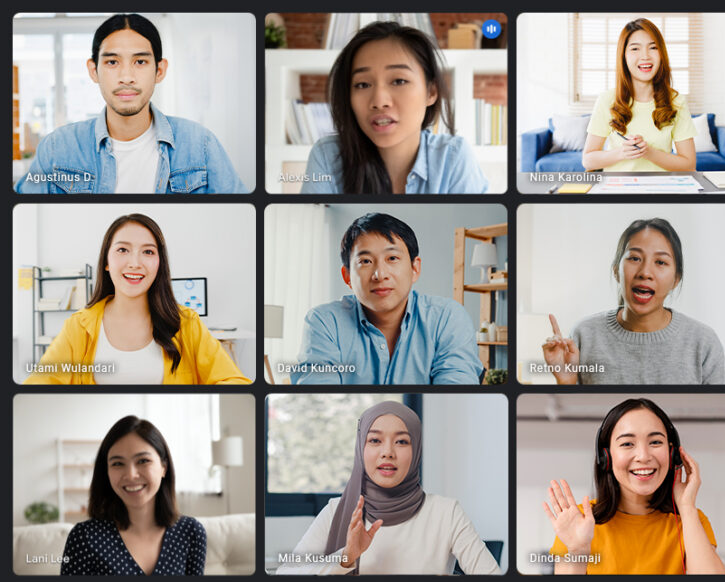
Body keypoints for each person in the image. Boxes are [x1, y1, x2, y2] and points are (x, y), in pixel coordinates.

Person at [16, 14, 246, 194]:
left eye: (140, 61)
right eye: (113, 62)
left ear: (160, 70)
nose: (126, 77)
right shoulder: (57, 149)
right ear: (93, 70)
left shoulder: (201, 145)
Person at [276, 401, 501, 575]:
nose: (388, 452)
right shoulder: (337, 510)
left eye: (401, 441)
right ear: (360, 448)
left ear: (416, 451)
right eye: (375, 440)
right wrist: (346, 557)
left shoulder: (447, 513)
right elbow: (286, 574)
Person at [25, 214, 250, 384]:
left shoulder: (186, 323)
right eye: (123, 250)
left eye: (148, 252)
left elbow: (233, 380)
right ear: (106, 262)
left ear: (159, 263)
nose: (135, 262)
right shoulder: (78, 326)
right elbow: (38, 384)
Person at [292, 213, 483, 384]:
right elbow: (319, 397)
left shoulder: (448, 318)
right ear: (347, 276)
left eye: (392, 258)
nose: (380, 274)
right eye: (365, 261)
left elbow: (455, 395)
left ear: (414, 268)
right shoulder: (324, 322)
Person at [301, 21, 487, 194]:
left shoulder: (453, 157)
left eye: (399, 81)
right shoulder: (327, 157)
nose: (380, 101)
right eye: (363, 84)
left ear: (431, 92)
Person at [544, 398, 725, 574]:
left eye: (655, 442)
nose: (643, 456)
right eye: (627, 444)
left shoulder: (691, 520)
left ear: (672, 454)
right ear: (606, 457)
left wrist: (686, 507)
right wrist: (577, 550)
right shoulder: (579, 522)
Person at [541, 218, 725, 384]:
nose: (645, 272)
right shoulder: (584, 334)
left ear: (676, 280)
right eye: (635, 258)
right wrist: (566, 380)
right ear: (616, 270)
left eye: (660, 262)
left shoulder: (703, 342)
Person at [61, 415, 207, 575]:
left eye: (143, 461)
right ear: (107, 472)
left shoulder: (191, 532)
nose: (130, 475)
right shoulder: (84, 538)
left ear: (163, 467)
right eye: (117, 464)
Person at [581, 19, 697, 173]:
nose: (645, 56)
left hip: (662, 190)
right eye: (635, 49)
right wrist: (622, 153)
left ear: (662, 54)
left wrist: (649, 153)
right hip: (617, 190)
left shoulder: (676, 101)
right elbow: (588, 161)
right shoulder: (607, 100)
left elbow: (689, 165)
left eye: (653, 48)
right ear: (624, 56)